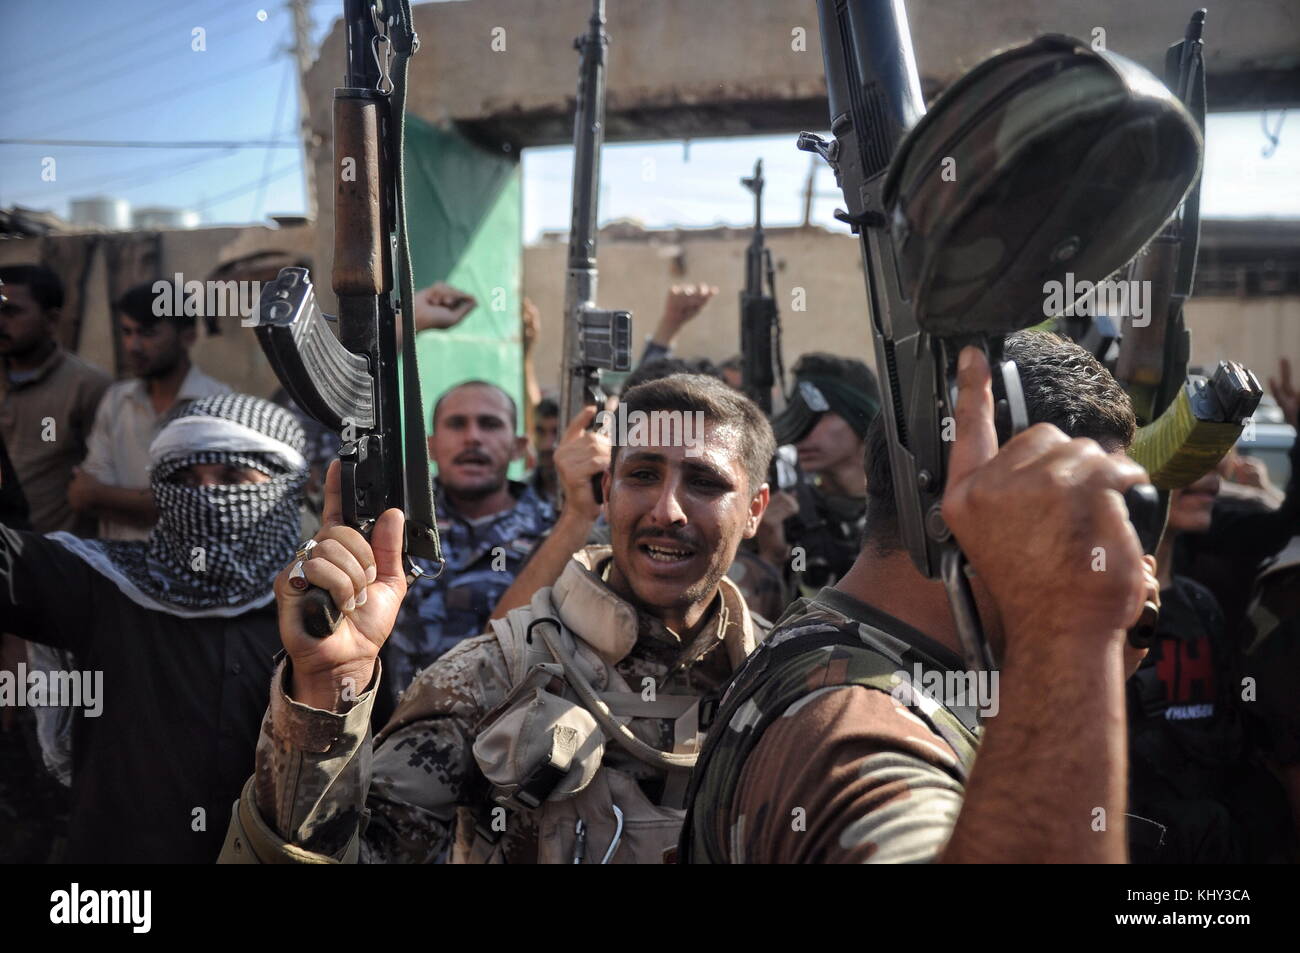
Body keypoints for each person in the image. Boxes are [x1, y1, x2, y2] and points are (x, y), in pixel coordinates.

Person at [219, 373, 775, 863]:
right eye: (643, 476)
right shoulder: (492, 678)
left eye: (705, 482)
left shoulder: (789, 687)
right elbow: (345, 855)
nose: (667, 510)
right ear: (607, 491)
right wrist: (323, 690)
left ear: (755, 509)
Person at [682, 331, 1162, 863]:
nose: (1115, 544)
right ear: (975, 515)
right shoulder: (853, 726)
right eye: (1094, 511)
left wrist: (1072, 674)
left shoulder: (875, 657)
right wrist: (1070, 644)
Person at [0, 393, 308, 862]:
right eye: (183, 479)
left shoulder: (322, 612)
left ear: (284, 488)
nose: (204, 495)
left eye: (232, 478)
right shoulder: (103, 584)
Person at [1128, 472, 1295, 862]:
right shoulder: (1097, 611)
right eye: (1187, 467)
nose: (1211, 482)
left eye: (1216, 467)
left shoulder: (1201, 604)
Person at [377, 379, 555, 725]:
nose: (473, 437)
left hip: (516, 742)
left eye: (490, 424)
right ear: (430, 445)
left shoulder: (556, 536)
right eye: (457, 424)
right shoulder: (393, 526)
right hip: (400, 737)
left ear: (519, 447)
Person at [71, 279, 229, 540]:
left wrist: (104, 496)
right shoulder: (116, 400)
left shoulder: (219, 405)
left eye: (147, 333)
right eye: (127, 332)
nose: (133, 346)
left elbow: (197, 506)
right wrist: (154, 503)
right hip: (117, 569)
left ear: (187, 336)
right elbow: (82, 497)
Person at [0, 264, 110, 537]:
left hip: (51, 557)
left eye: (11, 311)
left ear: (51, 320)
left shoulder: (88, 386)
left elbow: (99, 480)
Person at [764, 352, 880, 592]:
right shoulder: (783, 513)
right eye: (798, 413)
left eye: (822, 415)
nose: (802, 428)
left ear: (862, 418)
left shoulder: (907, 511)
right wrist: (770, 556)